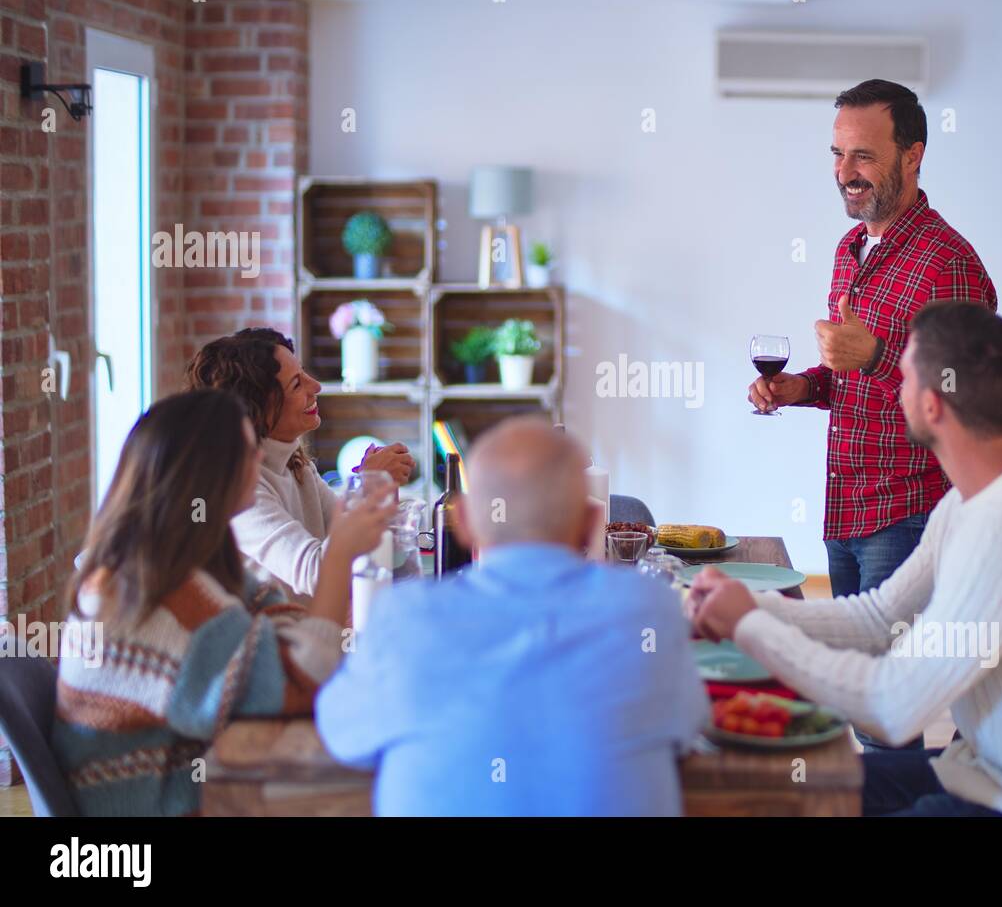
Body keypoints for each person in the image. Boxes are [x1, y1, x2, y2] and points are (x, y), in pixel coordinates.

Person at [703, 302, 1002, 816]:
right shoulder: (975, 498)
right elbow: (880, 617)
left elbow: (893, 707)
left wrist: (749, 626)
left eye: (902, 378)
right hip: (983, 772)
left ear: (932, 405)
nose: (892, 391)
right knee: (797, 788)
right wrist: (748, 606)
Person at [317, 417, 709, 815]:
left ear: (465, 523)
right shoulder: (650, 609)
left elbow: (339, 733)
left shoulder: (401, 619)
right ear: (592, 524)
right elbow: (688, 725)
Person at [52, 390, 394, 816]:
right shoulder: (145, 591)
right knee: (386, 780)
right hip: (153, 818)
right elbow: (300, 679)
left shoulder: (186, 560)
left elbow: (277, 619)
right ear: (210, 470)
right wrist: (340, 554)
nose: (261, 463)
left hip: (201, 783)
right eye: (251, 452)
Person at [748, 80, 998, 606]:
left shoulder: (948, 264)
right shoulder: (851, 249)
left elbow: (966, 402)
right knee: (853, 676)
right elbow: (850, 375)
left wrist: (879, 358)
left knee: (891, 679)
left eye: (862, 156)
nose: (843, 173)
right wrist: (802, 387)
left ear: (913, 156)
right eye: (838, 154)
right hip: (844, 509)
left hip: (909, 519)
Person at [184, 327, 415, 596]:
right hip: (278, 636)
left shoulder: (296, 464)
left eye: (304, 372)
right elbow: (317, 573)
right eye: (296, 383)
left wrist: (376, 490)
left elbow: (354, 546)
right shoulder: (239, 489)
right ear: (258, 408)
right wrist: (366, 489)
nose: (315, 386)